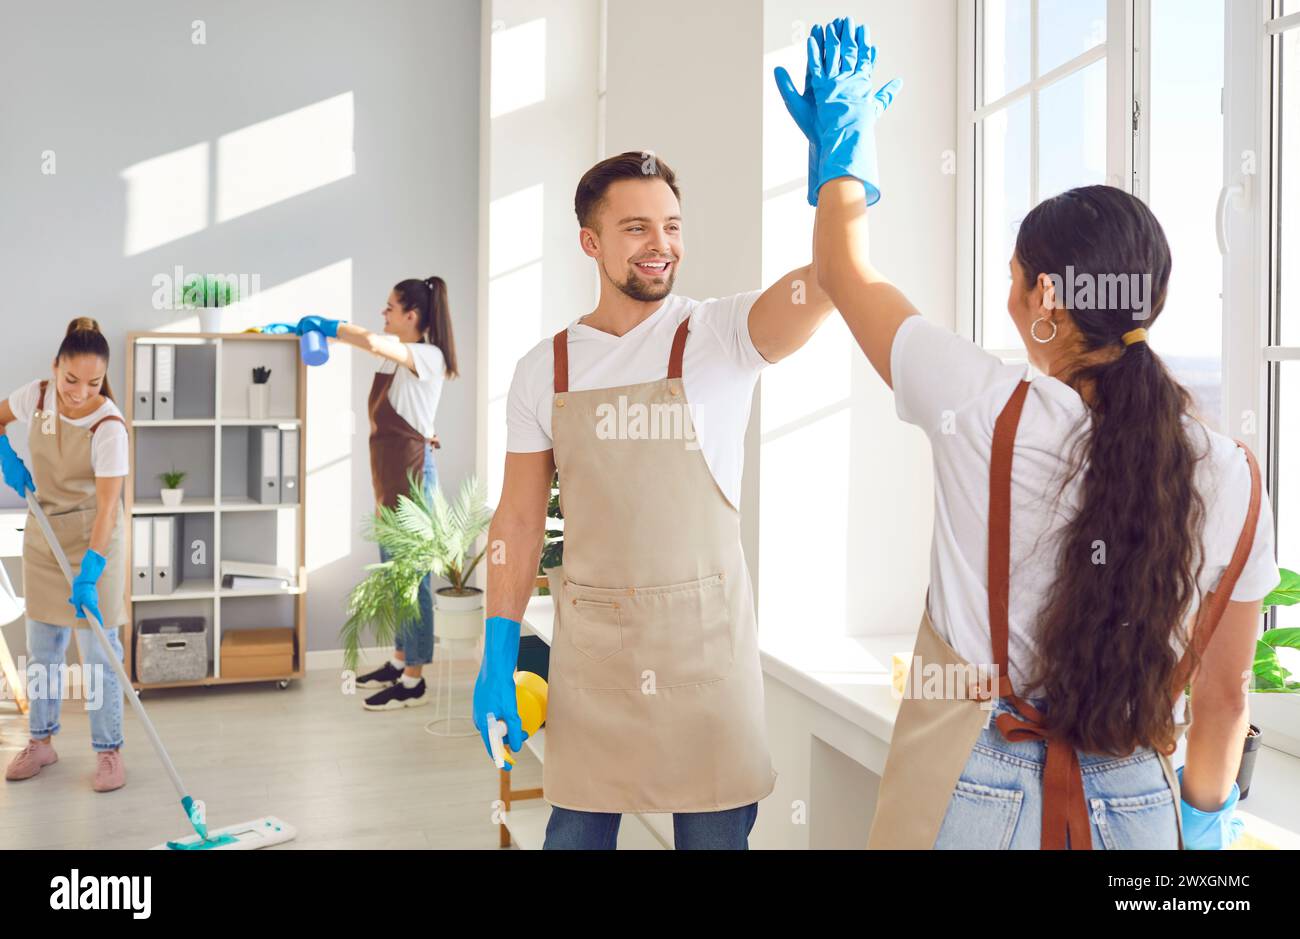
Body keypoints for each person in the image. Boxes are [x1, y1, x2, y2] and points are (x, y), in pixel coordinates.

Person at [783, 18, 1279, 849]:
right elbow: (1226, 698)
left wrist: (845, 153)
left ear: (1046, 296)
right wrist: (1204, 828)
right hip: (1138, 804)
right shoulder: (1235, 473)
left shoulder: (976, 401)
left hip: (971, 784)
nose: (1010, 298)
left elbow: (843, 270)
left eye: (1014, 280)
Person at [475, 148, 843, 850]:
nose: (661, 246)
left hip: (707, 664)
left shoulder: (719, 336)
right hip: (597, 665)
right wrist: (499, 646)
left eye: (672, 227)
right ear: (591, 241)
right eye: (638, 228)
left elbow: (828, 284)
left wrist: (836, 180)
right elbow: (519, 520)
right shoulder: (544, 368)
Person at [288, 278, 458, 711]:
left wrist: (328, 325)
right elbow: (375, 348)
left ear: (412, 315)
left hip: (414, 483)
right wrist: (319, 333)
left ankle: (414, 681)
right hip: (389, 484)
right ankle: (400, 660)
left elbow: (374, 343)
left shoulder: (427, 356)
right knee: (392, 578)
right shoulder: (396, 363)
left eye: (389, 308)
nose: (383, 315)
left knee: (411, 581)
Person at [1, 317, 131, 792]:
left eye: (93, 383)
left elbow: (107, 510)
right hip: (43, 535)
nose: (79, 392)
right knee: (42, 650)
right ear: (55, 367)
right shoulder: (35, 397)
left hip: (95, 543)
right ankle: (41, 741)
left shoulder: (109, 426)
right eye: (70, 379)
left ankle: (109, 750)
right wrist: (4, 455)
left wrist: (91, 572)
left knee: (97, 652)